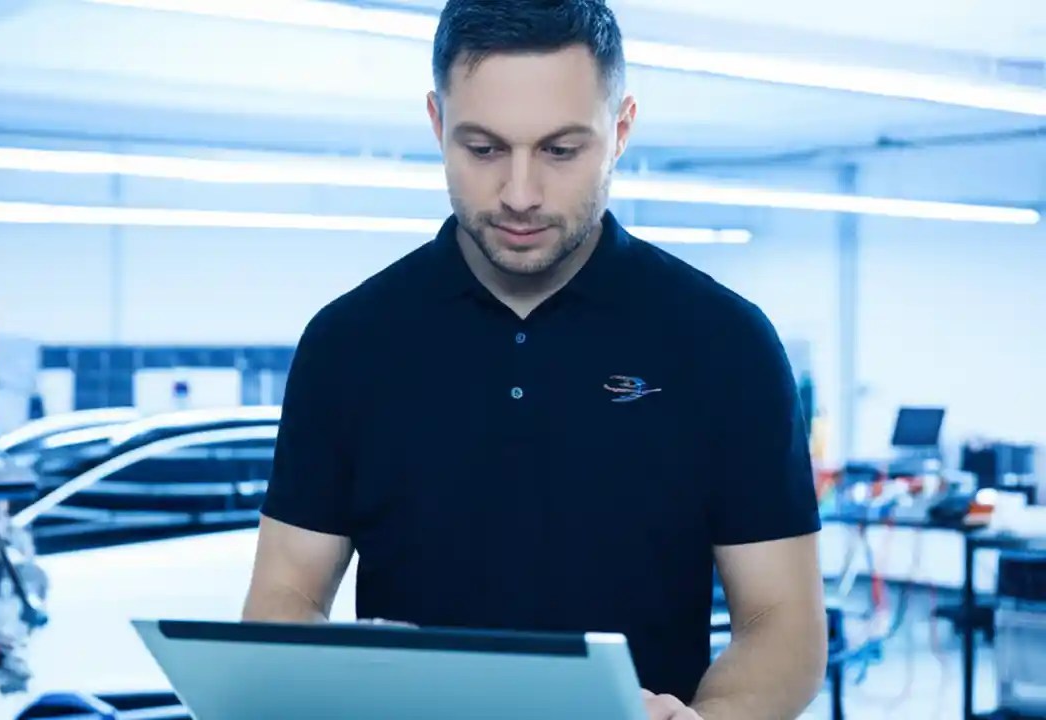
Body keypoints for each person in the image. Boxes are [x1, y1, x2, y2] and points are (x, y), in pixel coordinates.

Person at [242, 1, 828, 718]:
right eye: (484, 149)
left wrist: (713, 719)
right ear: (437, 123)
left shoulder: (725, 343)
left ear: (620, 130)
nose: (520, 195)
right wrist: (330, 673)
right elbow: (284, 593)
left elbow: (781, 621)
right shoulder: (348, 344)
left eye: (560, 151)